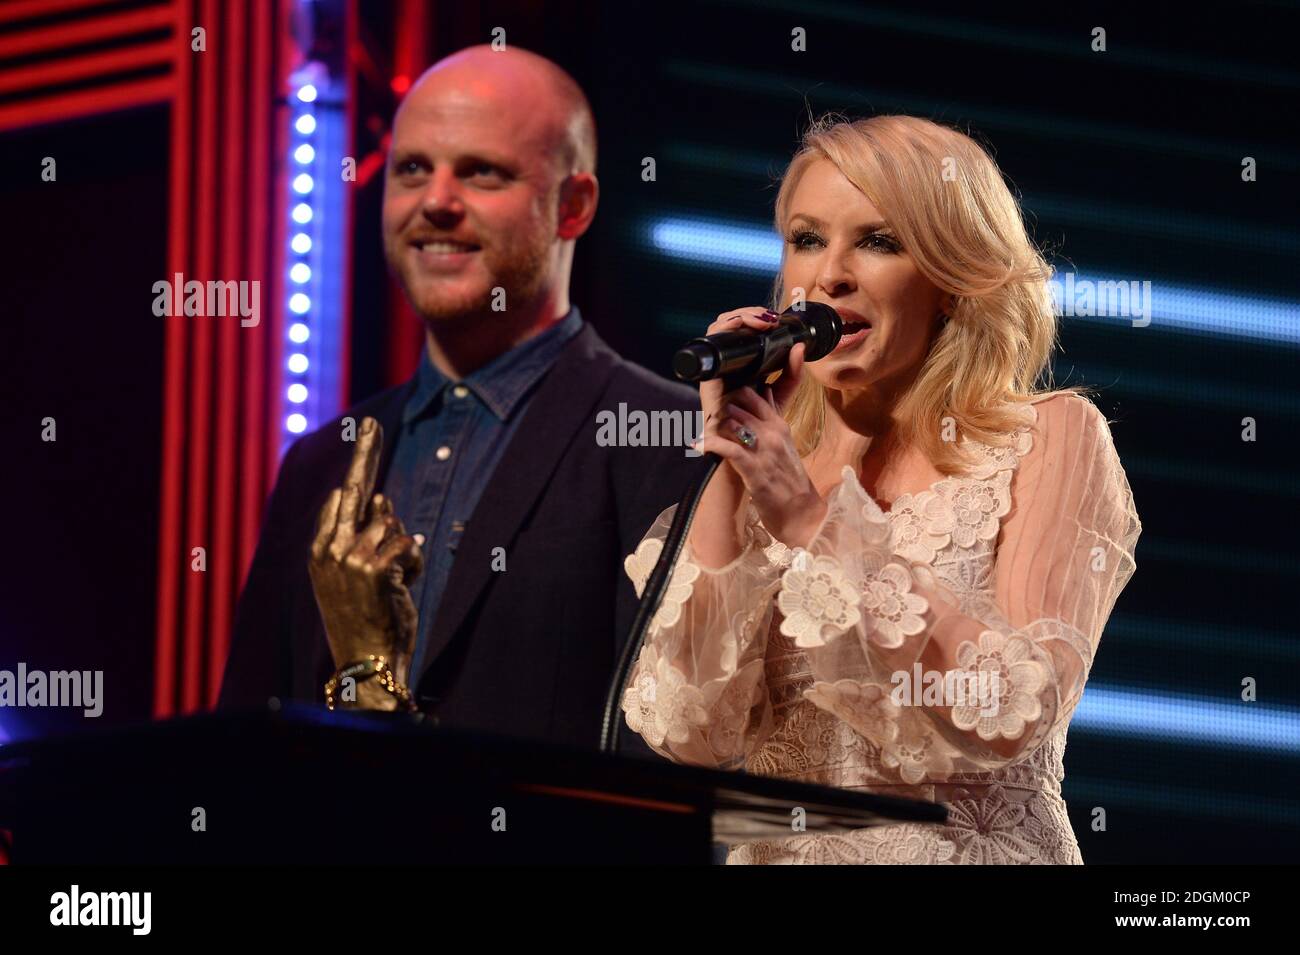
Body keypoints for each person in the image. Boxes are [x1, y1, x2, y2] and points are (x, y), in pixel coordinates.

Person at [620, 115, 1142, 863]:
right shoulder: (761, 476)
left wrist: (809, 521)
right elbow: (689, 731)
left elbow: (1013, 704)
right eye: (807, 239)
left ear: (952, 283)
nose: (829, 274)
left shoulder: (1047, 438)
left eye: (878, 241)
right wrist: (737, 480)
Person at [220, 46, 703, 754]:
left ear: (573, 206)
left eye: (481, 172)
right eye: (413, 168)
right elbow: (245, 756)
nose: (436, 201)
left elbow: (676, 765)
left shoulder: (665, 437)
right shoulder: (316, 464)